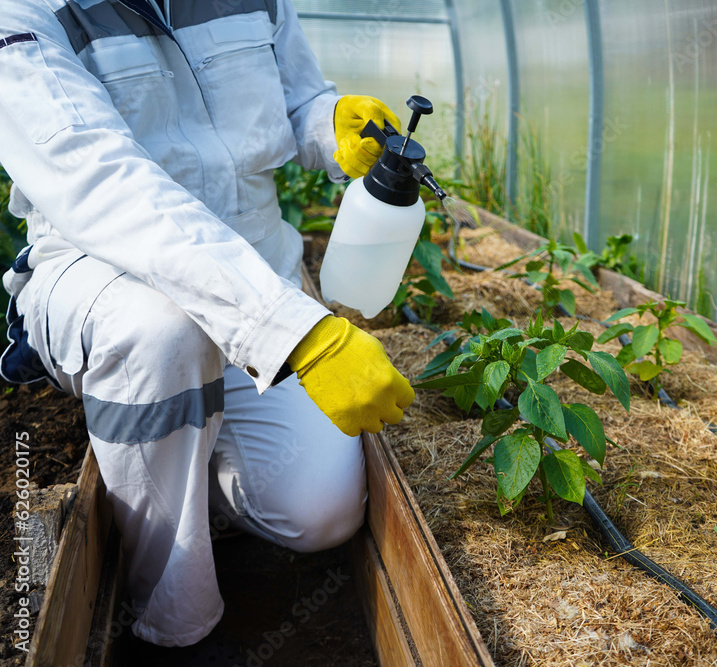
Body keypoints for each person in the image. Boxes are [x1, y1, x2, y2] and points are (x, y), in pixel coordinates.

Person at [0, 0, 414, 648]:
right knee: (163, 333)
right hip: (106, 280)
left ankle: (180, 459)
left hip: (258, 275)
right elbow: (105, 183)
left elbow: (299, 100)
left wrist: (330, 121)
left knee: (322, 512)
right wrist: (296, 330)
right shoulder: (28, 12)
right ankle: (174, 624)